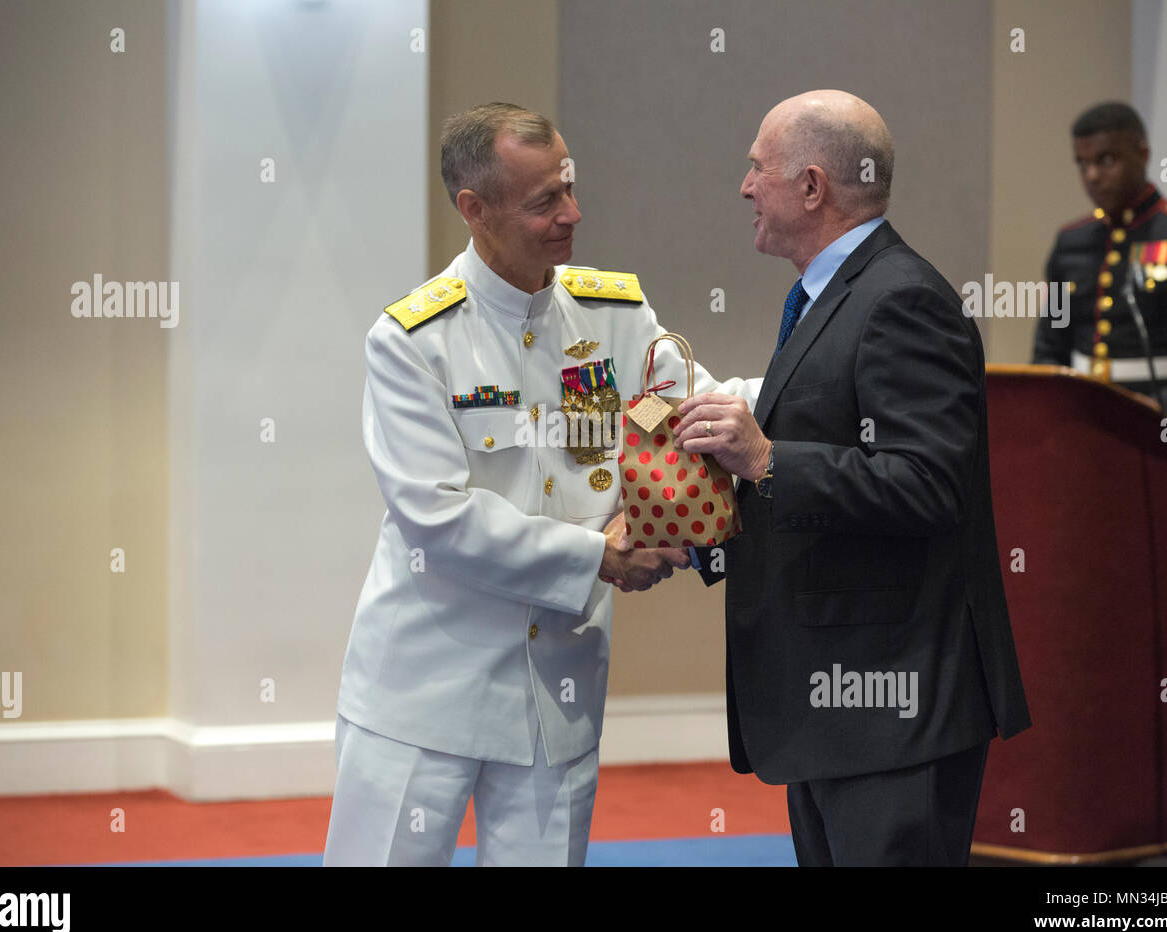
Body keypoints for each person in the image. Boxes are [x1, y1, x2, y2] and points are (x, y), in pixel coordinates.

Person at [323, 102, 759, 866]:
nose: (572, 214)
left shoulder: (612, 313)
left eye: (569, 186)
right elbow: (437, 516)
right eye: (544, 202)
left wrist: (809, 393)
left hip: (559, 687)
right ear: (474, 209)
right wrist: (596, 556)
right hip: (425, 691)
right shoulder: (413, 342)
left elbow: (693, 403)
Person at [671, 90, 1031, 865]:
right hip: (838, 707)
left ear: (811, 186)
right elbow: (820, 493)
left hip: (892, 707)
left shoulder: (901, 298)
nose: (743, 187)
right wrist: (695, 536)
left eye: (755, 168)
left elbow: (931, 483)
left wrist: (767, 458)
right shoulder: (828, 295)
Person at [1032, 101, 1167, 851]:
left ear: (1142, 152)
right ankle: (1103, 797)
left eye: (1107, 159)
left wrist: (1166, 414)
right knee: (1085, 627)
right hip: (1086, 465)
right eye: (1082, 162)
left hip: (1164, 451)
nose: (1094, 175)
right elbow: (1048, 355)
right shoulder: (1070, 246)